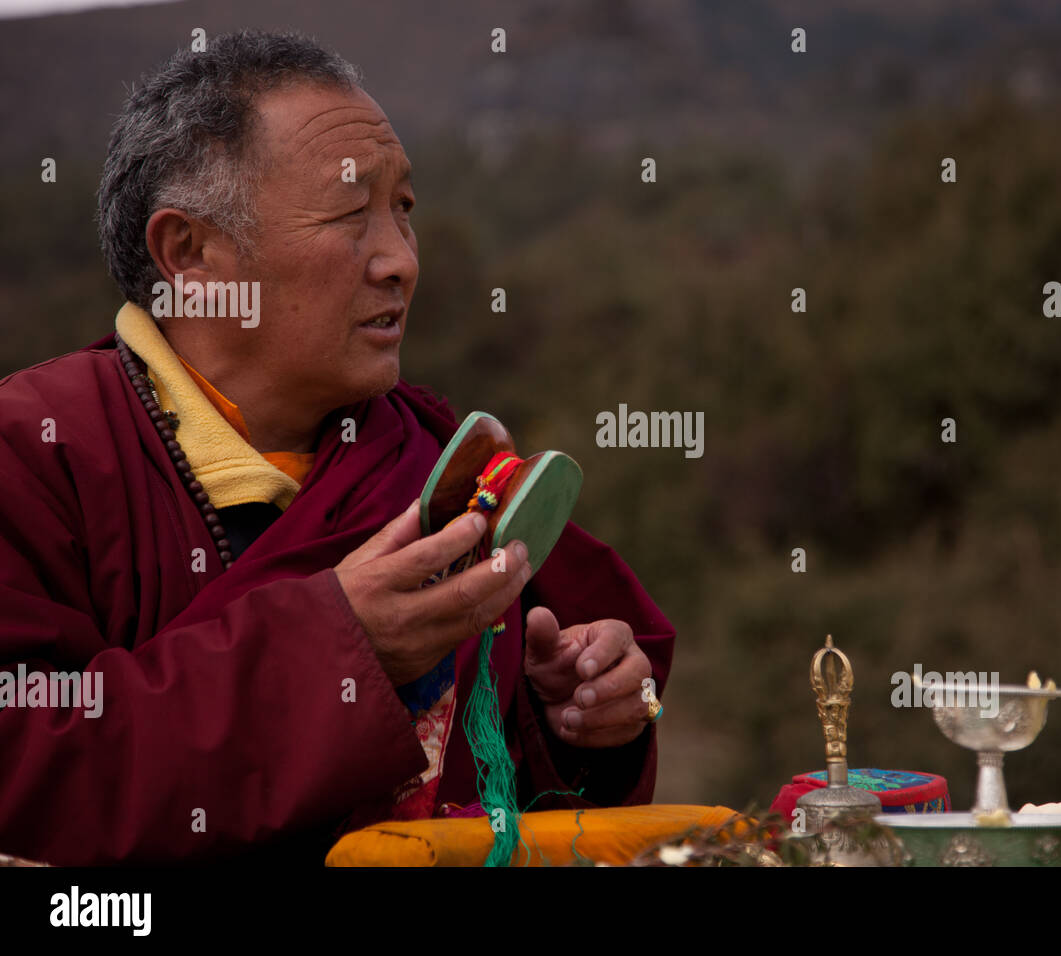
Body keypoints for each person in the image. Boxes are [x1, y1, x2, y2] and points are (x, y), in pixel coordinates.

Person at [0, 30, 673, 865]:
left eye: (404, 211)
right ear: (192, 255)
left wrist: (584, 717)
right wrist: (335, 649)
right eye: (353, 215)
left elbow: (513, 803)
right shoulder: (36, 449)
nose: (400, 262)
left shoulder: (432, 461)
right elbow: (25, 769)